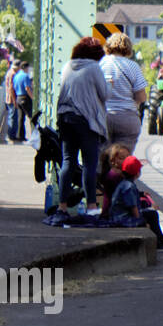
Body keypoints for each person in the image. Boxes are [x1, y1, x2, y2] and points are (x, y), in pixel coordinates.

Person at [54, 36, 109, 219]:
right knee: (89, 164)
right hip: (86, 120)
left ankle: (62, 207)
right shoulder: (94, 68)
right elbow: (104, 94)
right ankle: (91, 206)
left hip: (65, 117)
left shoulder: (67, 66)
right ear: (96, 55)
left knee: (68, 162)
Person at [99, 33, 148, 153]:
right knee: (122, 159)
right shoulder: (133, 66)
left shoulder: (100, 64)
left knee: (101, 158)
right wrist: (134, 102)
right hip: (127, 118)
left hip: (103, 117)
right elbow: (141, 96)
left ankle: (103, 170)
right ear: (128, 48)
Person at [10, 60, 34, 142]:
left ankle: (20, 136)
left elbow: (13, 87)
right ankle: (34, 135)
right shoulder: (25, 76)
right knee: (32, 117)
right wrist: (32, 97)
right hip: (25, 98)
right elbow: (27, 88)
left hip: (18, 98)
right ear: (26, 68)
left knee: (20, 118)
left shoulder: (16, 76)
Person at [3, 59, 20, 142]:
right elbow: (11, 89)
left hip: (8, 98)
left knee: (11, 116)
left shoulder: (9, 72)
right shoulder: (13, 74)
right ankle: (11, 136)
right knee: (13, 117)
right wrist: (14, 101)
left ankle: (11, 135)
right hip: (12, 99)